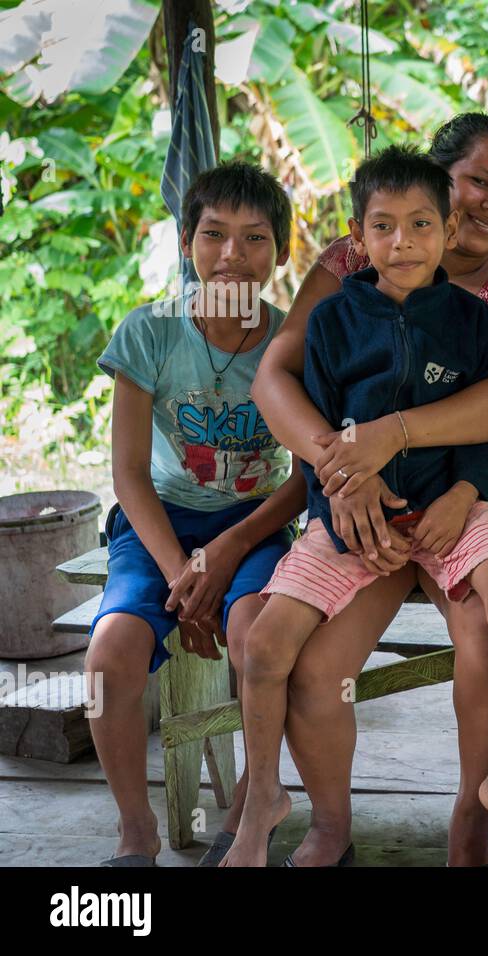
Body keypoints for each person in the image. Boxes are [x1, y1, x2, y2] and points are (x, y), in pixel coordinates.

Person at [250, 113, 488, 867]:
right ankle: (328, 823)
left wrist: (406, 441)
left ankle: (472, 813)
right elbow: (279, 376)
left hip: (472, 480)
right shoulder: (351, 263)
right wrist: (341, 468)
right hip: (352, 484)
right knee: (319, 668)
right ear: (442, 182)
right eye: (479, 181)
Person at [86, 161, 304, 866]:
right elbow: (127, 472)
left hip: (257, 521)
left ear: (283, 251)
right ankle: (135, 827)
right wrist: (186, 576)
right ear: (186, 242)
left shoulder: (294, 344)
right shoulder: (149, 333)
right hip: (158, 525)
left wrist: (231, 553)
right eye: (214, 235)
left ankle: (254, 795)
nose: (232, 256)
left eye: (255, 238)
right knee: (108, 659)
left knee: (255, 637)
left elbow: (305, 479)